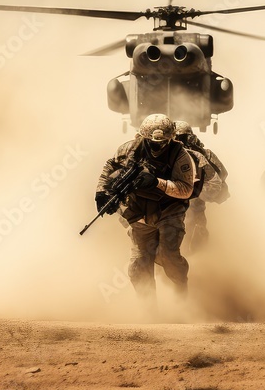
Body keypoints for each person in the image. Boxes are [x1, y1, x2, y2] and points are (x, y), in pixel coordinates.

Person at [96, 114, 195, 304]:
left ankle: (181, 294)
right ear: (143, 137)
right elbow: (110, 166)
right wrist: (101, 192)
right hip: (139, 214)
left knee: (169, 257)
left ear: (170, 139)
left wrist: (157, 183)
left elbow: (186, 189)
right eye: (153, 143)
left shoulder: (180, 155)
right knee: (138, 264)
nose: (158, 147)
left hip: (169, 212)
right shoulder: (129, 149)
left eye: (163, 143)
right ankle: (149, 310)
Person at [174, 121, 228, 252]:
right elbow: (222, 174)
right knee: (196, 233)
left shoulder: (200, 154)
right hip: (190, 205)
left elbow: (220, 177)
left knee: (191, 234)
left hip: (184, 205)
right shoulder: (204, 153)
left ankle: (198, 262)